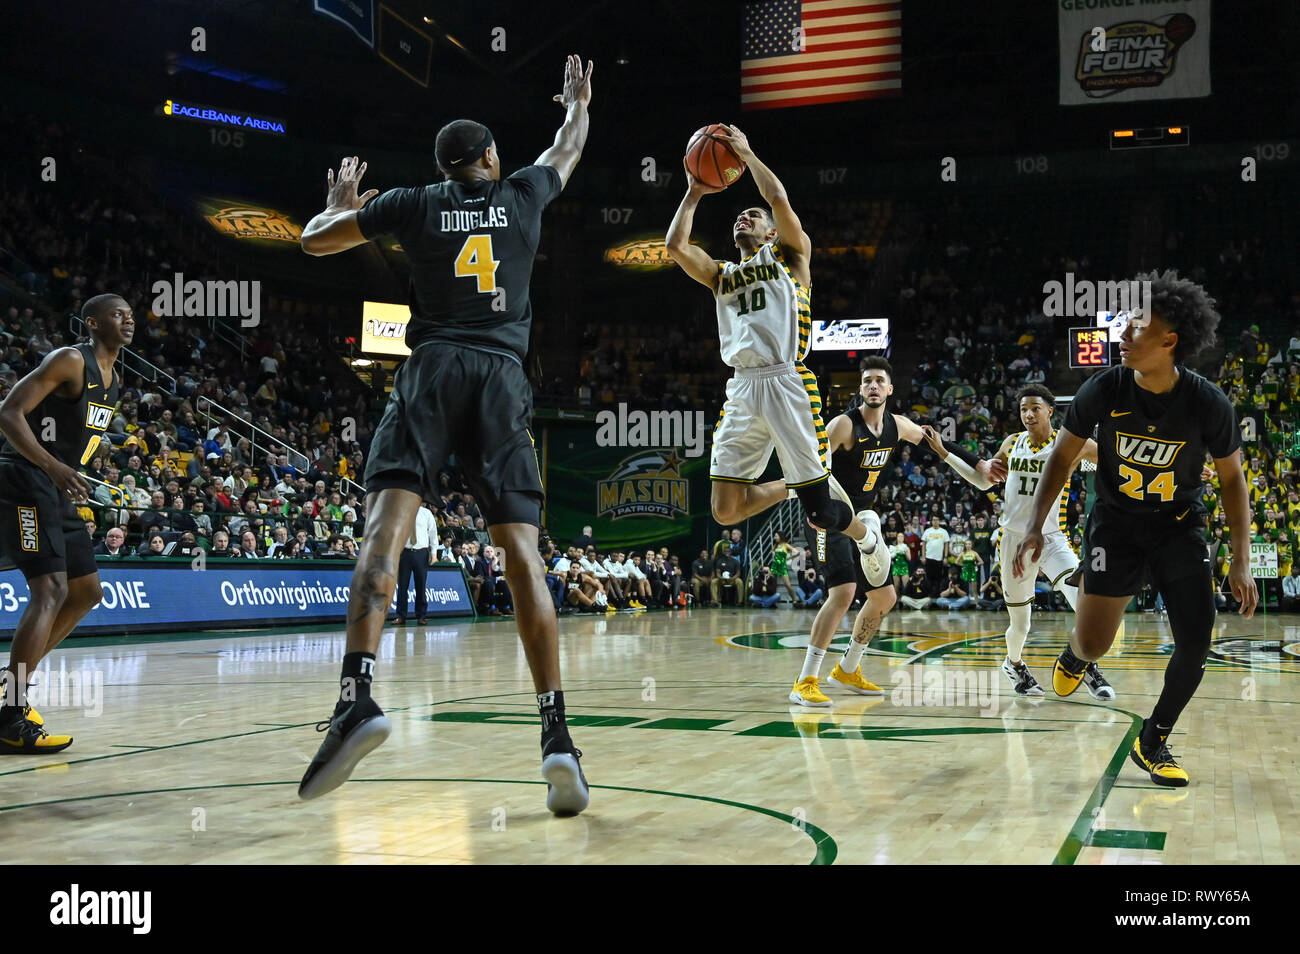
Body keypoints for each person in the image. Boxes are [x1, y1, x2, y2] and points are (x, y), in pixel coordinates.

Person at [295, 55, 594, 813]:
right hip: (500, 377)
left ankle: (357, 696)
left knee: (383, 533)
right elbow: (567, 148)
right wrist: (577, 104)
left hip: (430, 370)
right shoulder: (524, 191)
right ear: (491, 158)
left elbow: (313, 242)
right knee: (522, 554)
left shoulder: (414, 202)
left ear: (443, 167)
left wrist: (334, 206)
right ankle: (557, 735)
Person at [1014, 272, 1258, 787]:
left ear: (1169, 341)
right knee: (1095, 643)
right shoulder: (1104, 387)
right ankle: (1077, 655)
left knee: (1196, 641)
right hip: (1116, 528)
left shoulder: (1208, 403)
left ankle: (1153, 740)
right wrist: (1035, 526)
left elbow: (1233, 481)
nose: (1122, 336)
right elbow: (1061, 456)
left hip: (1178, 527)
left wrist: (1241, 558)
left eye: (1136, 328)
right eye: (1124, 325)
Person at [665, 125, 888, 587]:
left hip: (788, 382)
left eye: (752, 215)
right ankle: (792, 484)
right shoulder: (722, 275)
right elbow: (675, 248)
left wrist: (747, 155)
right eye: (739, 216)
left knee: (822, 514)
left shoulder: (790, 258)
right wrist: (694, 192)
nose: (742, 218)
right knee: (726, 510)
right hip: (743, 386)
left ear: (770, 232)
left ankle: (866, 537)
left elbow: (779, 198)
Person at [925, 384, 1117, 699]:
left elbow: (1118, 459)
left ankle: (1083, 664)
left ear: (1050, 411)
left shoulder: (1075, 444)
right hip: (1013, 541)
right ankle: (1013, 664)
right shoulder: (1012, 443)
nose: (1028, 414)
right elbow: (983, 481)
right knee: (1020, 623)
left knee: (1086, 606)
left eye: (1035, 408)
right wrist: (945, 455)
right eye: (1024, 409)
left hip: (1052, 538)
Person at [0, 294, 130, 753]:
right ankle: (10, 714)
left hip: (57, 486)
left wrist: (65, 471)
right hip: (25, 476)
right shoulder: (71, 360)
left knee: (86, 592)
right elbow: (9, 414)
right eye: (117, 314)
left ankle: (8, 687)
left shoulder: (116, 380)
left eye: (131, 315)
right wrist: (53, 466)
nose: (128, 320)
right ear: (92, 323)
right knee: (51, 589)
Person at [790, 359, 932, 706]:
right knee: (843, 592)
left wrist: (976, 465)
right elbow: (809, 465)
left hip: (861, 520)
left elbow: (932, 441)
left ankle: (848, 669)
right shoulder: (844, 425)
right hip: (829, 516)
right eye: (867, 380)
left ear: (889, 389)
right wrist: (814, 505)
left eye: (879, 380)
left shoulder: (897, 425)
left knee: (884, 598)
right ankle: (805, 680)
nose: (873, 385)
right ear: (860, 388)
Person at [395, 502, 436, 625]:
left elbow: (433, 533)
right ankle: (401, 616)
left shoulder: (426, 513)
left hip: (421, 552)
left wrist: (434, 553)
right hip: (404, 552)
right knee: (402, 586)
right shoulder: (400, 511)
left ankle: (421, 615)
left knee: (421, 585)